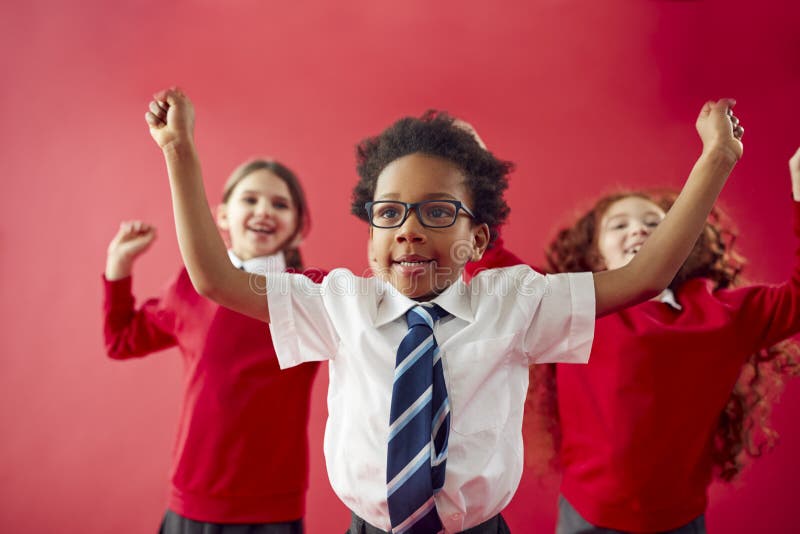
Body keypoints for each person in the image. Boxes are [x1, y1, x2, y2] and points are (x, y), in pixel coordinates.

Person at [144, 87, 741, 533]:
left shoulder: (515, 302)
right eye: (389, 213)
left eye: (436, 213)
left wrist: (715, 158)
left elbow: (644, 276)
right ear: (370, 232)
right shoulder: (339, 302)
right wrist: (179, 151)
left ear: (478, 241)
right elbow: (216, 279)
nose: (408, 230)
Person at [538, 153, 800, 533]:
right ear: (595, 254)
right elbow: (493, 267)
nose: (639, 231)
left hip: (680, 519)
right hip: (587, 517)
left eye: (654, 224)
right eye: (619, 225)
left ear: (680, 242)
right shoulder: (575, 305)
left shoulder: (723, 313)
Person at [103, 157, 323, 534]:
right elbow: (121, 341)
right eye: (250, 200)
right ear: (221, 217)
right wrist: (118, 264)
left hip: (272, 510)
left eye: (280, 204)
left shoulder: (311, 295)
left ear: (299, 227)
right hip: (191, 503)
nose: (264, 211)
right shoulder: (187, 288)